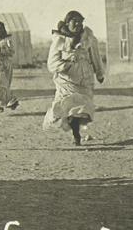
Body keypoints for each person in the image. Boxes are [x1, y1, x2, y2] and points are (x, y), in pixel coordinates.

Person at [43, 11, 105, 145]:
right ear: (67, 23)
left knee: (81, 109)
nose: (77, 24)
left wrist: (99, 72)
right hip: (66, 81)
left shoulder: (88, 37)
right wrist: (67, 64)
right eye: (74, 21)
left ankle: (76, 133)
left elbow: (95, 56)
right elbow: (51, 63)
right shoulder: (59, 39)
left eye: (80, 21)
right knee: (67, 108)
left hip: (84, 79)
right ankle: (75, 133)